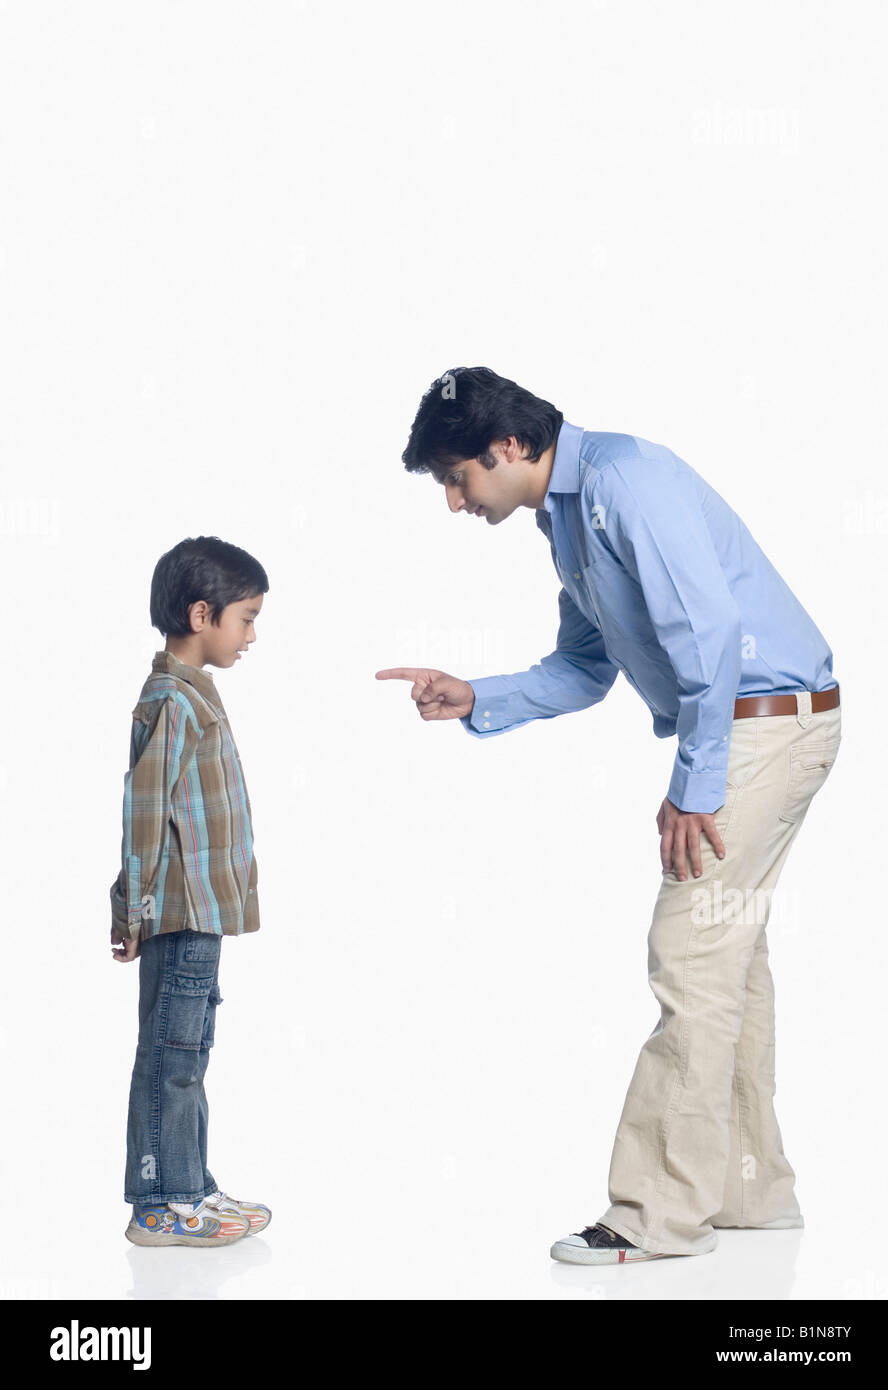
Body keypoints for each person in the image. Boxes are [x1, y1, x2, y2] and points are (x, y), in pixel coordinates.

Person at [376, 366, 841, 1264]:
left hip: (762, 727)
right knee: (726, 956)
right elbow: (584, 668)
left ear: (505, 448)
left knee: (688, 955)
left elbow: (708, 633)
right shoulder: (567, 520)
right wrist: (478, 693)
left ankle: (652, 1215)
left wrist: (697, 783)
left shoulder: (626, 480)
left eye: (454, 477)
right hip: (758, 723)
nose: (453, 500)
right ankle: (746, 1190)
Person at [110, 535, 273, 1247]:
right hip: (177, 912)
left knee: (189, 1051)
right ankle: (160, 1203)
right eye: (246, 618)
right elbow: (144, 812)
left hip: (200, 913)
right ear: (202, 614)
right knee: (170, 1057)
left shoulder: (194, 695)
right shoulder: (171, 699)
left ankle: (191, 1187)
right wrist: (133, 906)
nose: (252, 634)